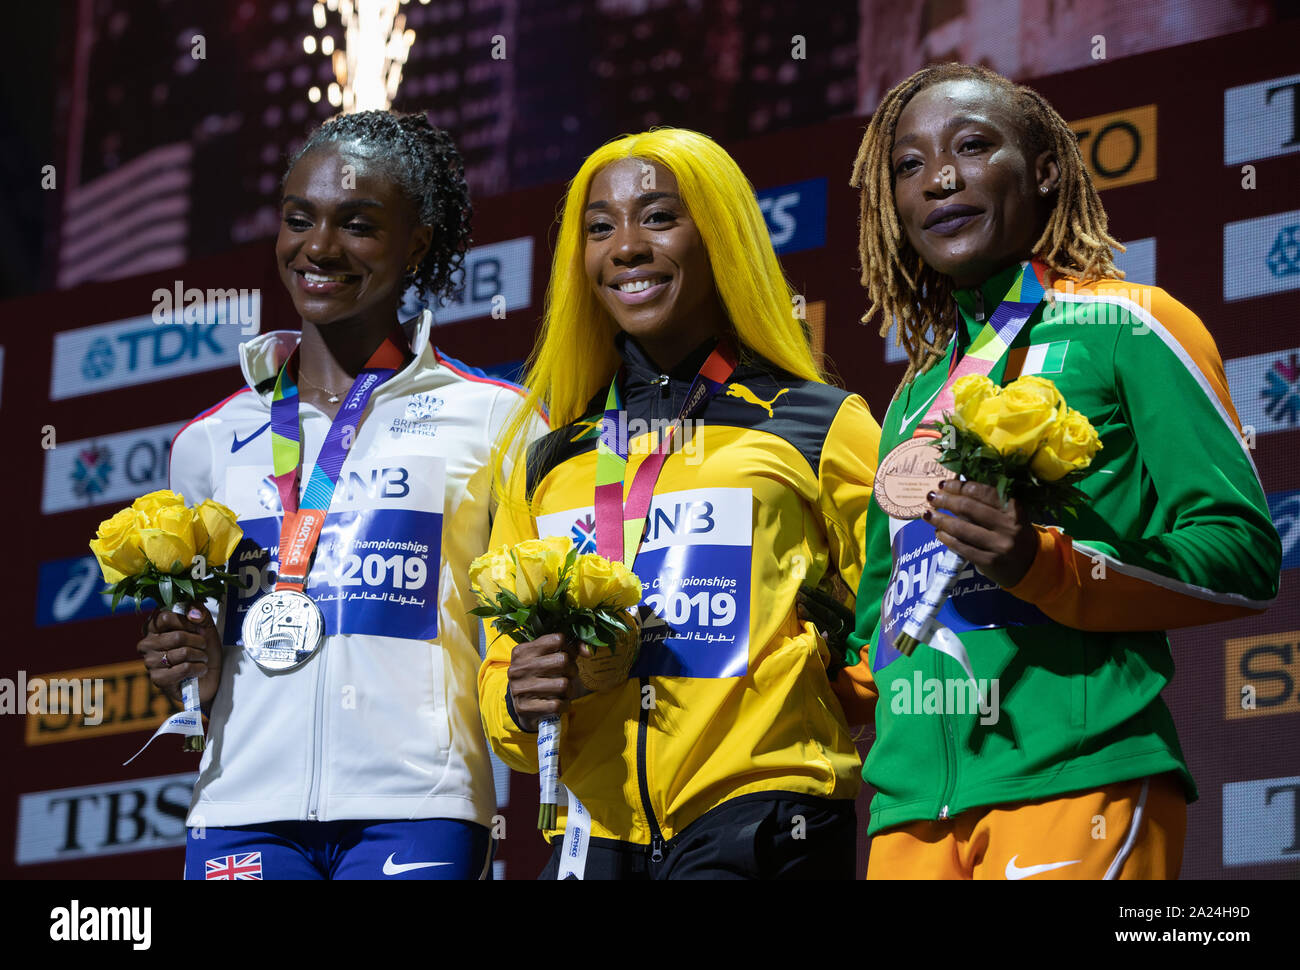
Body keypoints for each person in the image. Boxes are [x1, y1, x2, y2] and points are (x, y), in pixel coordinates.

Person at [846, 63, 1282, 879]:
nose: (940, 177)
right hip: (908, 811)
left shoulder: (1132, 325)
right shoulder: (911, 396)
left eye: (973, 146)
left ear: (1046, 170)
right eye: (909, 165)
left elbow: (1244, 556)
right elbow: (885, 618)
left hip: (1078, 779)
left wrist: (1041, 563)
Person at [137, 110, 535, 879]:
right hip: (240, 810)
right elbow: (207, 667)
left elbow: (515, 639)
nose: (319, 248)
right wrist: (185, 665)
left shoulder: (495, 419)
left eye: (357, 224)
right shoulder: (210, 442)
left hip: (418, 810)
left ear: (416, 243)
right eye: (298, 220)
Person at [478, 127, 882, 879]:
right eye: (600, 228)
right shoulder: (545, 459)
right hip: (593, 836)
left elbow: (897, 613)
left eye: (658, 217)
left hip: (763, 812)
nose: (626, 245)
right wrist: (521, 697)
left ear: (721, 235)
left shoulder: (818, 423)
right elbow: (502, 690)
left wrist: (820, 684)